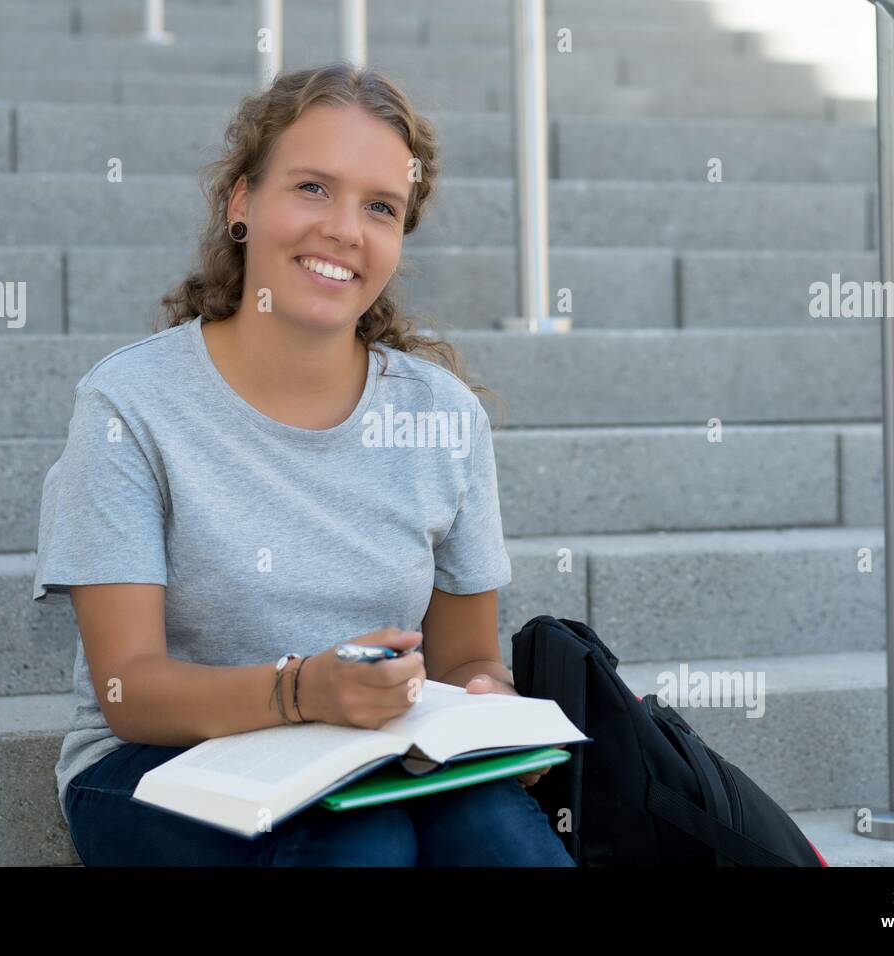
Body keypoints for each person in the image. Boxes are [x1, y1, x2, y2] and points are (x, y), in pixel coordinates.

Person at [31, 63, 574, 867]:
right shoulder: (131, 405)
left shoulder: (440, 416)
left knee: (501, 842)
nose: (345, 229)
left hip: (372, 759)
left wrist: (487, 703)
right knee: (366, 847)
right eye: (313, 188)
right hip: (156, 767)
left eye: (380, 207)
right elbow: (129, 690)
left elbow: (466, 656)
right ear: (241, 202)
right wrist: (300, 691)